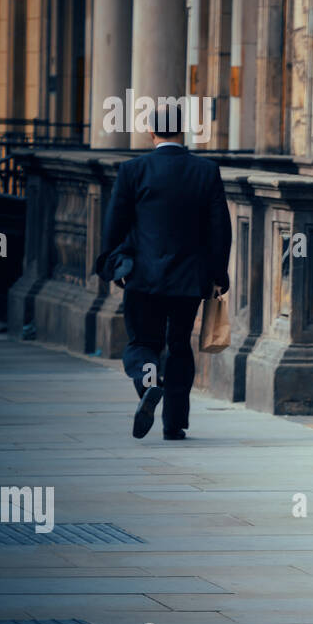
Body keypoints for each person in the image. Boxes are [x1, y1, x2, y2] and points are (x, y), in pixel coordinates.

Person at [95, 104, 231, 440]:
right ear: (182, 132)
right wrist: (218, 274)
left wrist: (110, 264)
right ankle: (174, 424)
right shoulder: (206, 171)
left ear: (151, 133)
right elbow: (220, 229)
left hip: (143, 276)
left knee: (143, 341)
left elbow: (114, 225)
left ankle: (147, 378)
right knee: (180, 344)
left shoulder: (133, 171)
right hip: (189, 278)